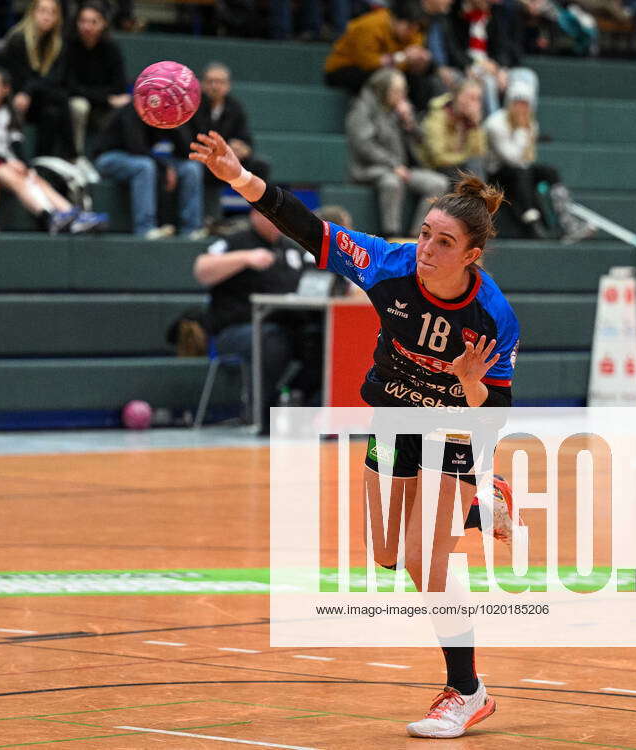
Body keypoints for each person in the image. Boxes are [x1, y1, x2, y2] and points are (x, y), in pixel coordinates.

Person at [190, 130, 519, 739]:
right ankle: (482, 504)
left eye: (444, 243)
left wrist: (471, 385)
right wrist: (239, 178)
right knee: (390, 554)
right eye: (425, 233)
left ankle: (467, 690)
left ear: (471, 255)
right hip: (392, 416)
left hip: (453, 424)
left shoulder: (492, 315)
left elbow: (491, 413)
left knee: (426, 561)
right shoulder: (389, 265)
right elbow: (306, 227)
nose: (427, 249)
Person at [193, 175, 324, 433]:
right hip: (236, 329)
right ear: (256, 213)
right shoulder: (236, 242)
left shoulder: (293, 248)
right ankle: (260, 415)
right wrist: (244, 259)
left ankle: (298, 401)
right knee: (271, 341)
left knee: (323, 340)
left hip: (288, 325)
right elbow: (201, 270)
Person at [0, 70, 106, 234]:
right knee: (16, 178)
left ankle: (74, 215)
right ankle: (48, 216)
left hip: (7, 161)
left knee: (36, 179)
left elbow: (16, 144)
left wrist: (25, 166)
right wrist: (9, 163)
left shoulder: (9, 113)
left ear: (5, 90)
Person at [484, 79, 593, 241]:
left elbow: (528, 158)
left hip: (519, 170)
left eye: (526, 104)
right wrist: (522, 130)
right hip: (496, 174)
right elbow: (512, 158)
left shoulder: (531, 124)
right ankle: (532, 222)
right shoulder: (495, 124)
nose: (522, 108)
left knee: (549, 172)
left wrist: (525, 129)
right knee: (521, 173)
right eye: (518, 103)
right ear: (509, 103)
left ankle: (566, 220)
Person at [346, 68, 450, 238]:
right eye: (398, 91)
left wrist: (410, 123)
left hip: (400, 167)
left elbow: (421, 143)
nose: (402, 95)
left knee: (438, 183)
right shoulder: (362, 108)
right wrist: (393, 165)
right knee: (392, 182)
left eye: (404, 90)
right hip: (369, 168)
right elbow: (363, 145)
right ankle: (391, 234)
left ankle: (418, 234)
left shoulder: (397, 110)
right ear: (383, 89)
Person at [93, 104, 204, 239]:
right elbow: (136, 147)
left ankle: (191, 229)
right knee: (145, 166)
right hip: (109, 157)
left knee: (191, 168)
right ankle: (145, 228)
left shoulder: (166, 112)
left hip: (142, 158)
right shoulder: (133, 109)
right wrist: (165, 168)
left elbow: (185, 151)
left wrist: (177, 123)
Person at [323, 0, 437, 112]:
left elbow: (412, 57)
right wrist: (401, 57)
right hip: (345, 69)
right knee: (385, 78)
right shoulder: (370, 26)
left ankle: (419, 117)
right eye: (409, 27)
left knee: (420, 79)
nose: (411, 33)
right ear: (396, 19)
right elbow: (366, 62)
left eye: (416, 29)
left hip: (389, 69)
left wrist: (421, 61)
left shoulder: (415, 31)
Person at [0, 0, 74, 160]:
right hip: (14, 98)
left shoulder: (58, 43)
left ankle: (42, 163)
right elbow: (17, 77)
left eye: (52, 12)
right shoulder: (17, 39)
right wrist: (25, 92)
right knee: (59, 97)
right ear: (32, 13)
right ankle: (73, 155)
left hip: (36, 98)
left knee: (52, 111)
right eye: (43, 11)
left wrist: (28, 91)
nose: (47, 17)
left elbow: (55, 78)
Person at [191, 62, 268, 224]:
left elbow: (246, 140)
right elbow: (188, 141)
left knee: (261, 165)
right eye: (210, 81)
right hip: (202, 160)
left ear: (228, 85)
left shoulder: (235, 107)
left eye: (219, 82)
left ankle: (257, 218)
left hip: (228, 160)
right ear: (202, 84)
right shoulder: (193, 106)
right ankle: (205, 221)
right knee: (194, 170)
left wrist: (242, 148)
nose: (214, 86)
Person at [63, 1, 129, 181]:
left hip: (102, 107)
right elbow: (70, 87)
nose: (87, 26)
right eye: (83, 21)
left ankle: (106, 159)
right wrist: (105, 98)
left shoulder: (112, 49)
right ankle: (75, 157)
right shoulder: (69, 46)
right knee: (79, 105)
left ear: (103, 24)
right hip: (78, 103)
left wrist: (104, 98)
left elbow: (119, 87)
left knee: (124, 107)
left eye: (93, 22)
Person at [420, 78, 487, 179]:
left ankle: (478, 194)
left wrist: (475, 125)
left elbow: (479, 152)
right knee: (471, 167)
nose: (475, 104)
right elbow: (438, 158)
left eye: (478, 99)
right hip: (436, 168)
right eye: (471, 98)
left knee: (476, 164)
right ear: (458, 97)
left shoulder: (469, 120)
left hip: (460, 166)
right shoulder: (438, 116)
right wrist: (465, 157)